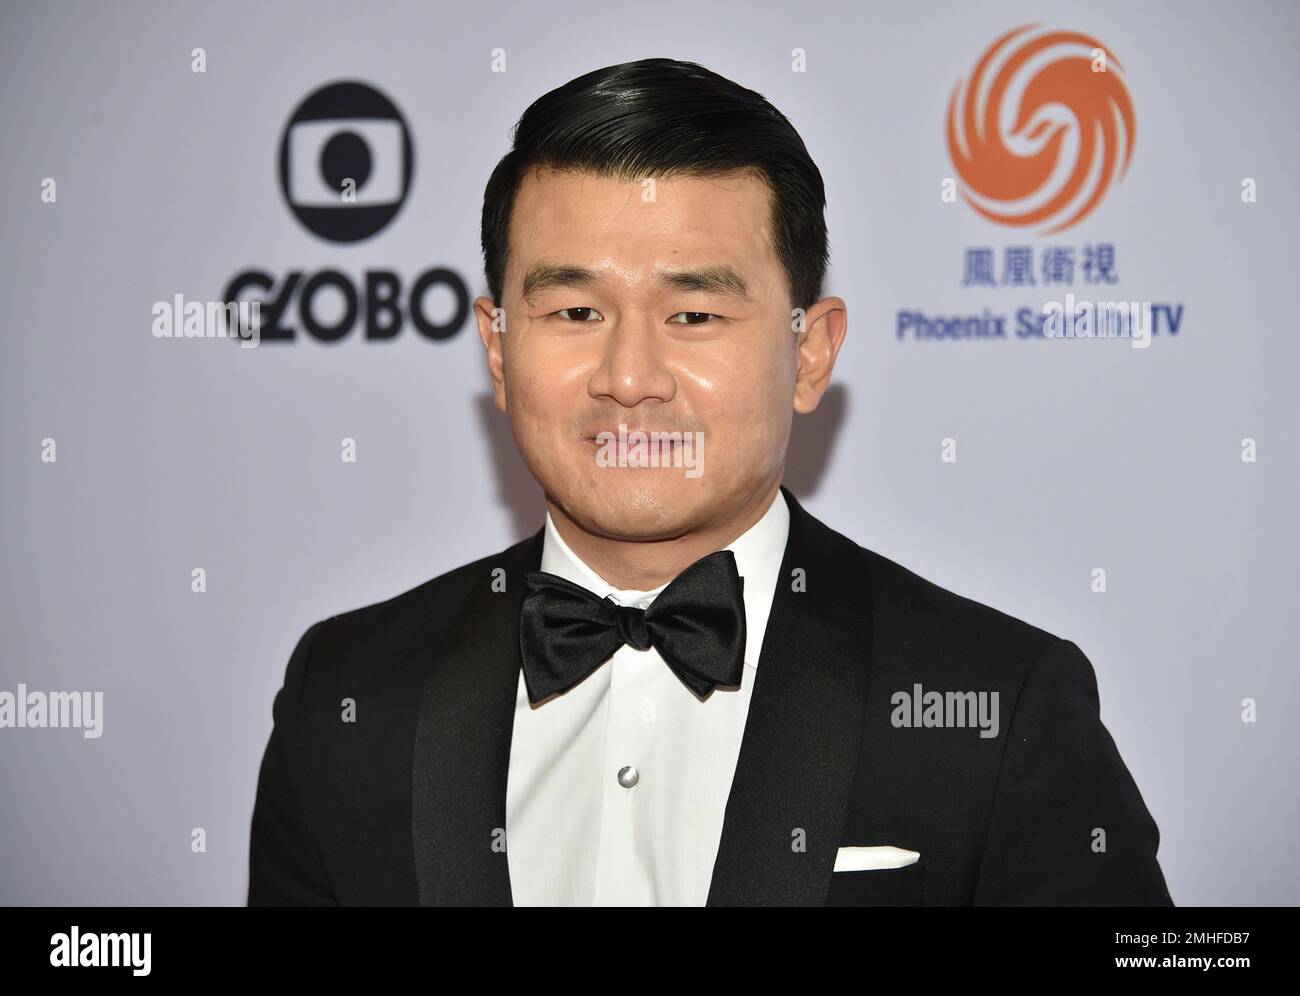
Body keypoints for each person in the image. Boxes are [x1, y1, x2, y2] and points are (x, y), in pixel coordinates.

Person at [248, 57, 1172, 906]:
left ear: (809, 353)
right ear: (497, 348)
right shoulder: (350, 698)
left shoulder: (999, 707)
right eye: (574, 310)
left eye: (693, 312)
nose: (631, 375)